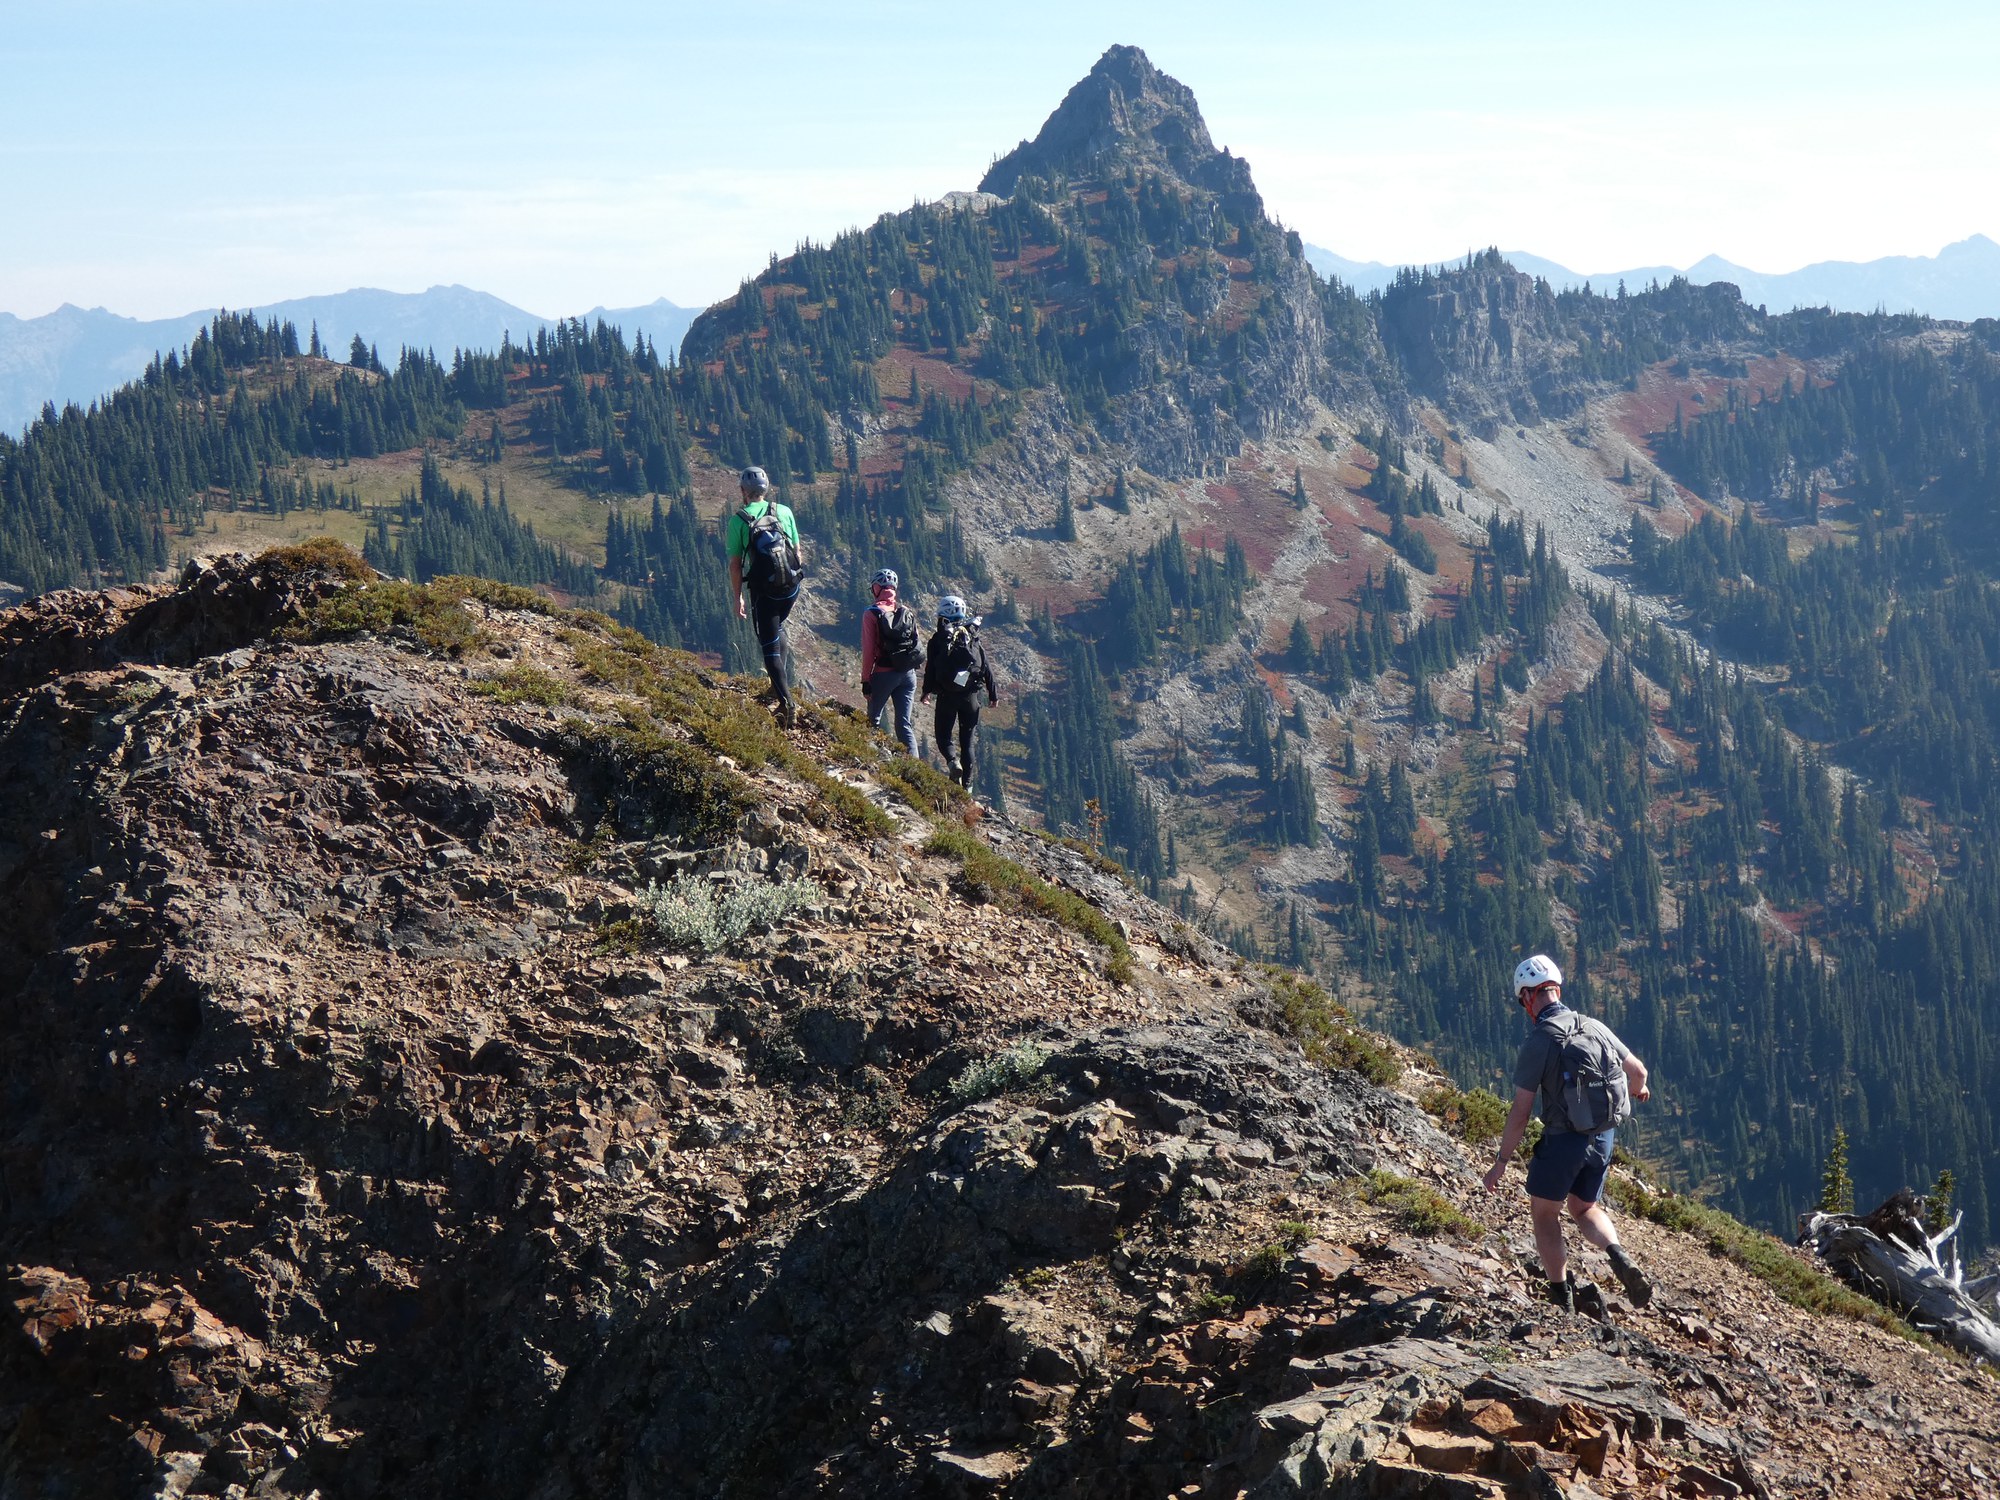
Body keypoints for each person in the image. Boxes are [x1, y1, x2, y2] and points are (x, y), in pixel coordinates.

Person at [1481, 954, 1655, 1315]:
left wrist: (1501, 1162)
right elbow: (1637, 1071)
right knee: (1584, 1207)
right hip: (1603, 1137)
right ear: (1556, 989)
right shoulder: (1593, 1025)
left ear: (1528, 998)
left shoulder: (1540, 1041)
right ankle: (1617, 1253)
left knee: (1545, 1214)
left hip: (1563, 1141)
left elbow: (1521, 1111)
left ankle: (1561, 1296)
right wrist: (1639, 1090)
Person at [725, 466, 804, 727]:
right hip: (790, 587)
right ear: (766, 489)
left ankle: (786, 704)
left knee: (768, 644)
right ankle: (776, 686)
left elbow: (736, 565)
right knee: (778, 626)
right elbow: (797, 551)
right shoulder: (783, 511)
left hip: (764, 591)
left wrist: (738, 597)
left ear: (743, 492)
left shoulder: (739, 520)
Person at [920, 594, 998, 788]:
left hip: (947, 695)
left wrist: (926, 692)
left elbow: (930, 668)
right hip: (970, 697)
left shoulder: (938, 639)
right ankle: (967, 787)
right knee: (968, 742)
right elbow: (985, 666)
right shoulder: (971, 635)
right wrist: (993, 693)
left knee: (943, 736)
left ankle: (952, 761)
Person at [860, 567, 921, 756]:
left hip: (884, 673)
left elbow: (869, 651)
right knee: (904, 724)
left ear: (876, 588)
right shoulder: (906, 612)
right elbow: (916, 642)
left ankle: (874, 759)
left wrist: (866, 680)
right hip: (908, 675)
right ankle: (914, 770)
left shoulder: (871, 613)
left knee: (872, 720)